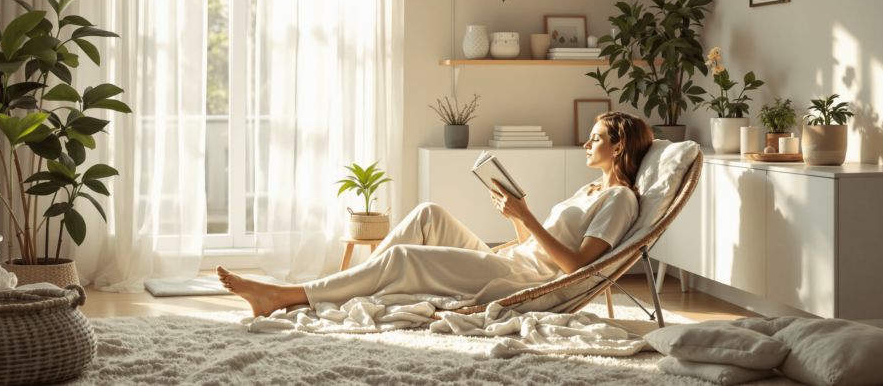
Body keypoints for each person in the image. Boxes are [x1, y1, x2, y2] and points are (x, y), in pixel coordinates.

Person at [219, 111, 655, 318]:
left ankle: (286, 295)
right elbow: (534, 245)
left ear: (618, 146)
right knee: (428, 215)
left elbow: (576, 268)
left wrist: (528, 217)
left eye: (596, 138)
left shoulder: (620, 200)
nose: (586, 143)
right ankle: (347, 286)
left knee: (402, 258)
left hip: (527, 281)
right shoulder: (590, 189)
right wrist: (515, 216)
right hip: (515, 259)